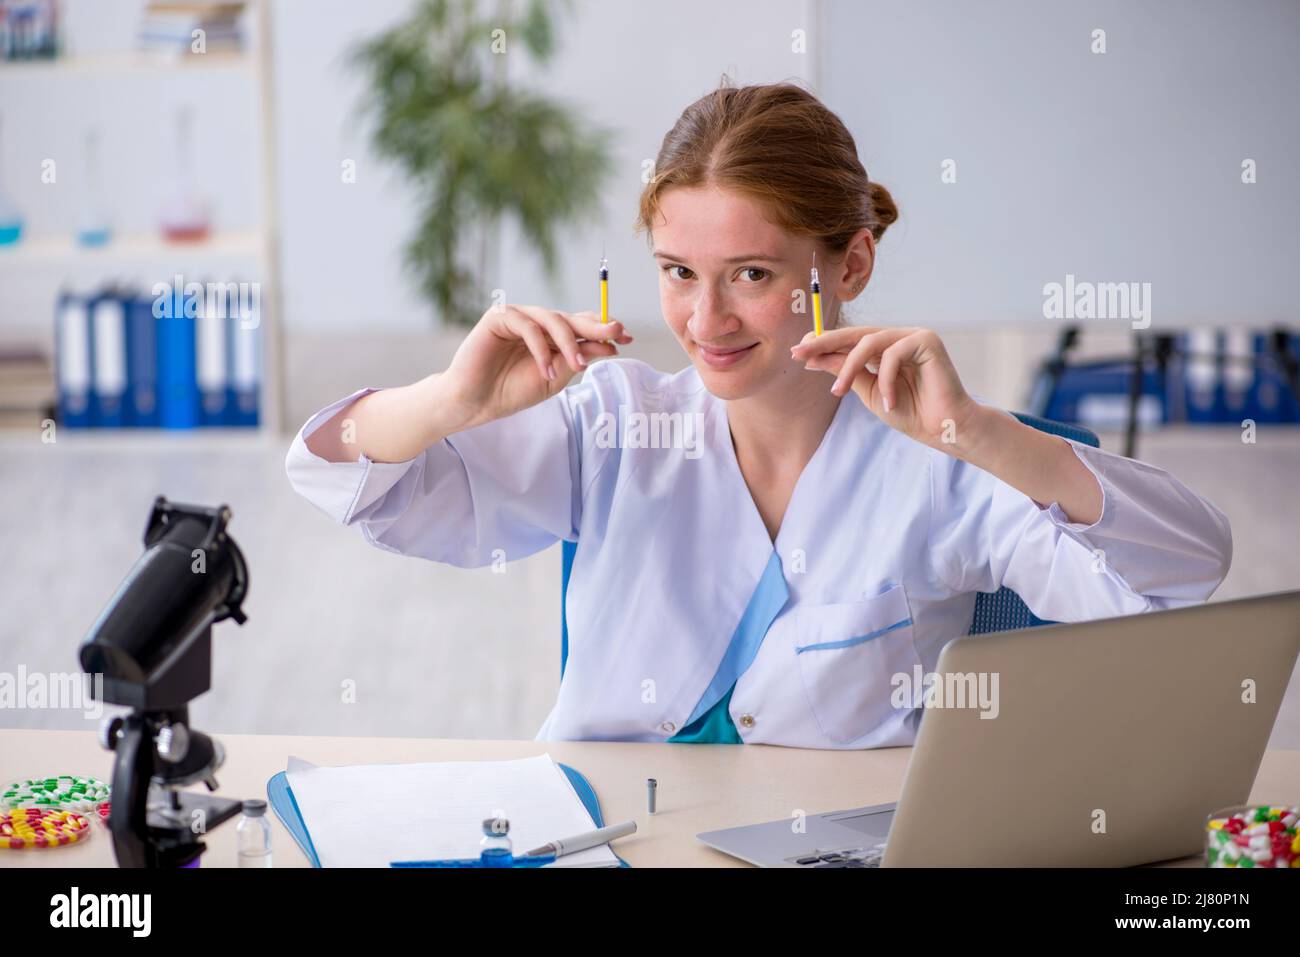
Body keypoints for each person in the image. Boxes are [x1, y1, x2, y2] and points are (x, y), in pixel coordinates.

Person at [286, 82, 1231, 749]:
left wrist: (981, 433)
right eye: (677, 274)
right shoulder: (614, 424)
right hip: (603, 844)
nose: (706, 322)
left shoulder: (943, 466)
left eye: (753, 274)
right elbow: (346, 479)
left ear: (851, 266)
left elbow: (1179, 577)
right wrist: (453, 401)